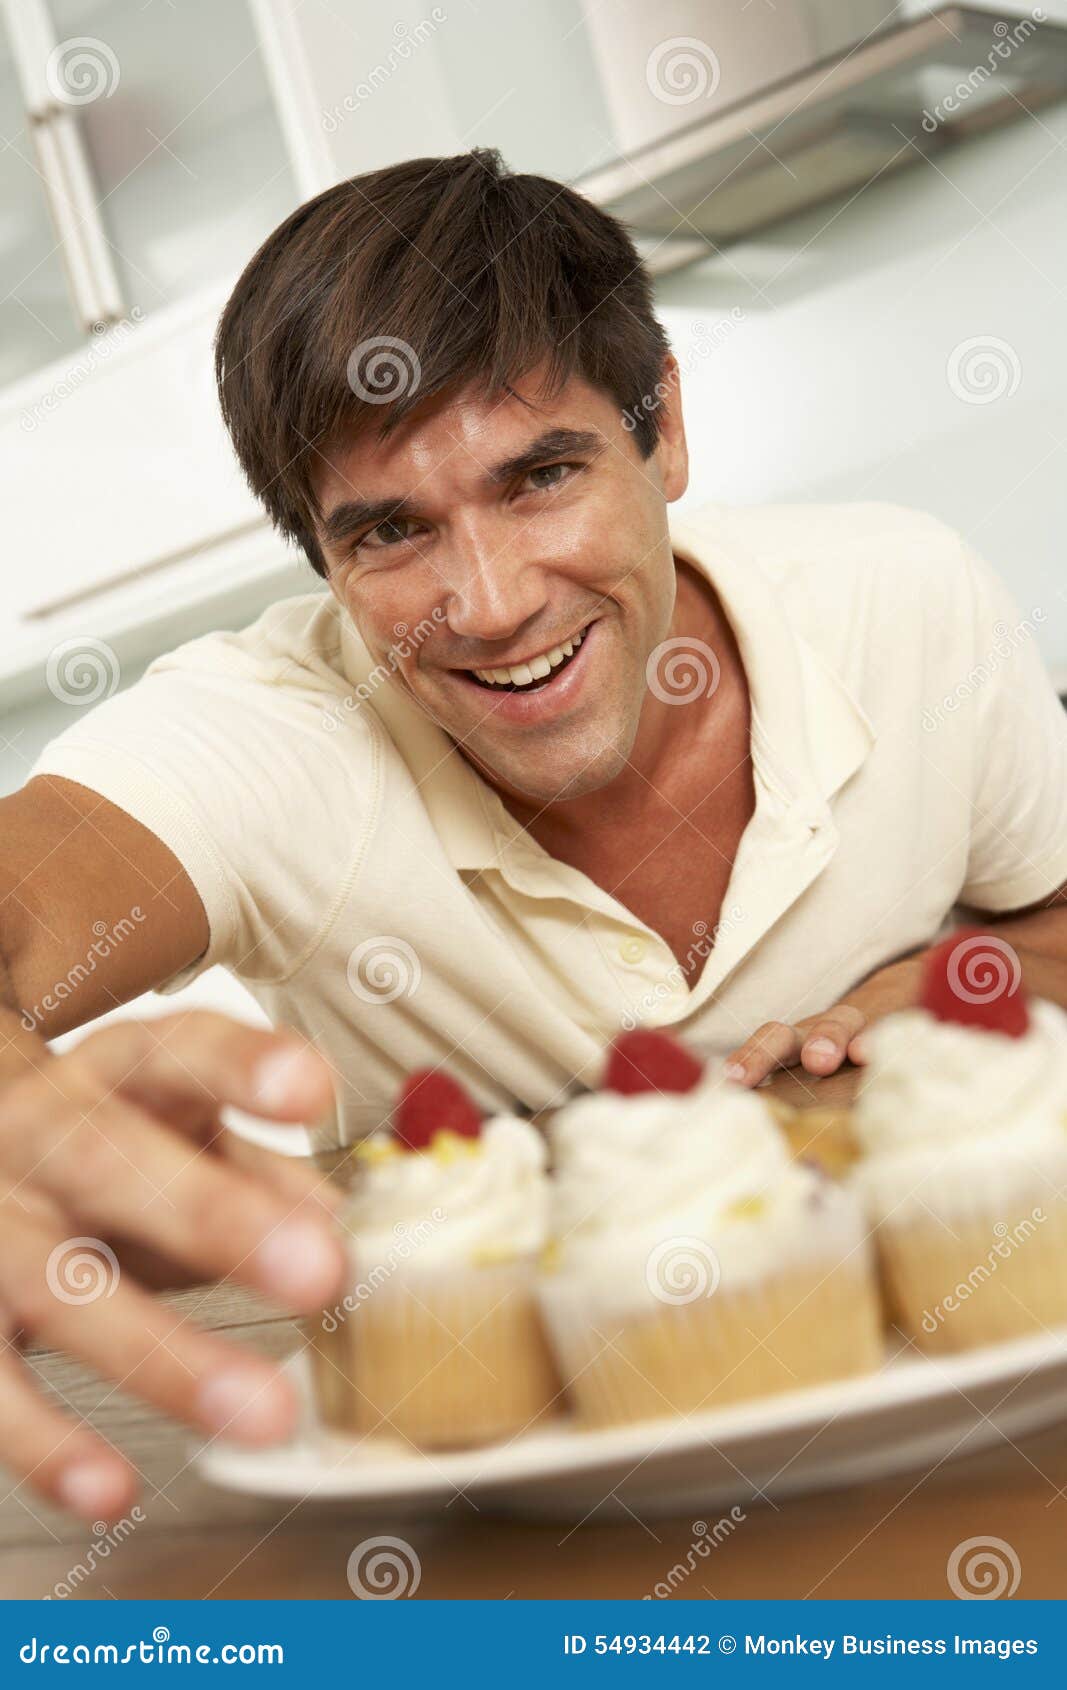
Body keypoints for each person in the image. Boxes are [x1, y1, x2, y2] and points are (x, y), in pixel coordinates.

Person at [3, 149, 1066, 1522]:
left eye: (541, 475)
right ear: (321, 565)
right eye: (391, 533)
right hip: (504, 1544)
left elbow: (1054, 917)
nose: (493, 601)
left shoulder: (904, 597)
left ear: (663, 426)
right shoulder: (269, 734)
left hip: (979, 1463)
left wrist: (955, 990)